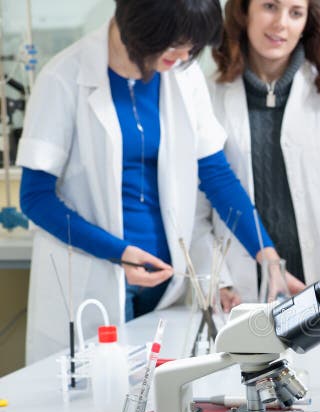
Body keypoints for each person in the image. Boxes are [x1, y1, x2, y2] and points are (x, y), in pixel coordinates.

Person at [17, 0, 283, 364]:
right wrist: (118, 252)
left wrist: (266, 254)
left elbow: (216, 174)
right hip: (91, 278)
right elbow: (35, 198)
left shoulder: (180, 73)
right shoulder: (63, 77)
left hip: (163, 284)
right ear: (138, 27)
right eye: (176, 44)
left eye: (193, 47)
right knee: (95, 411)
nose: (185, 56)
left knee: (160, 406)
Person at [200, 0, 320, 303]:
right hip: (240, 295)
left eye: (295, 12)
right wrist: (217, 280)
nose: (281, 23)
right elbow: (194, 210)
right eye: (270, 7)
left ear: (307, 22)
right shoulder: (208, 97)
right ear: (244, 12)